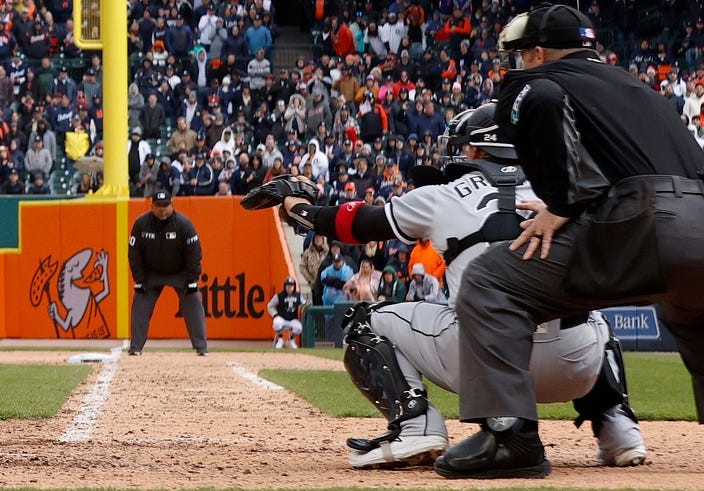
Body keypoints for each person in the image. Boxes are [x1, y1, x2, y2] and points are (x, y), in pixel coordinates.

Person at [447, 5, 704, 478]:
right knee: (698, 302)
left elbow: (540, 100)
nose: (516, 65)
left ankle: (508, 435)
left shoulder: (542, 79)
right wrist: (578, 203)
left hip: (650, 223)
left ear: (537, 53)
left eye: (520, 56)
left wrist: (559, 202)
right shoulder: (637, 87)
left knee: (491, 280)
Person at [254, 105, 645, 471]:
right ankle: (618, 428)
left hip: (486, 366)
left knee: (364, 321)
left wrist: (298, 209)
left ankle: (416, 426)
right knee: (597, 321)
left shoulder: (442, 196)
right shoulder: (568, 192)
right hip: (575, 366)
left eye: (465, 145)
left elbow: (358, 224)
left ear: (479, 147)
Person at [126, 190, 208, 355]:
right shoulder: (141, 224)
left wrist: (192, 280)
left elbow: (194, 253)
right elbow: (134, 254)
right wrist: (140, 280)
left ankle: (201, 348)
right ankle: (135, 348)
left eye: (166, 205)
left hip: (180, 273)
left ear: (172, 205)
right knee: (140, 303)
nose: (162, 209)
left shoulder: (184, 224)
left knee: (193, 301)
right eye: (158, 206)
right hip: (151, 273)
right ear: (152, 206)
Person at [269, 277, 305, 349]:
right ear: (285, 286)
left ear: (294, 286)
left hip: (292, 319)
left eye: (291, 286)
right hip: (282, 318)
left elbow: (305, 304)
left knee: (299, 327)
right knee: (276, 323)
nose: (289, 288)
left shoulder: (298, 296)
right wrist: (275, 315)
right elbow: (270, 306)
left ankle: (291, 339)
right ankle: (280, 338)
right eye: (288, 285)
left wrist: (302, 308)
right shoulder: (279, 295)